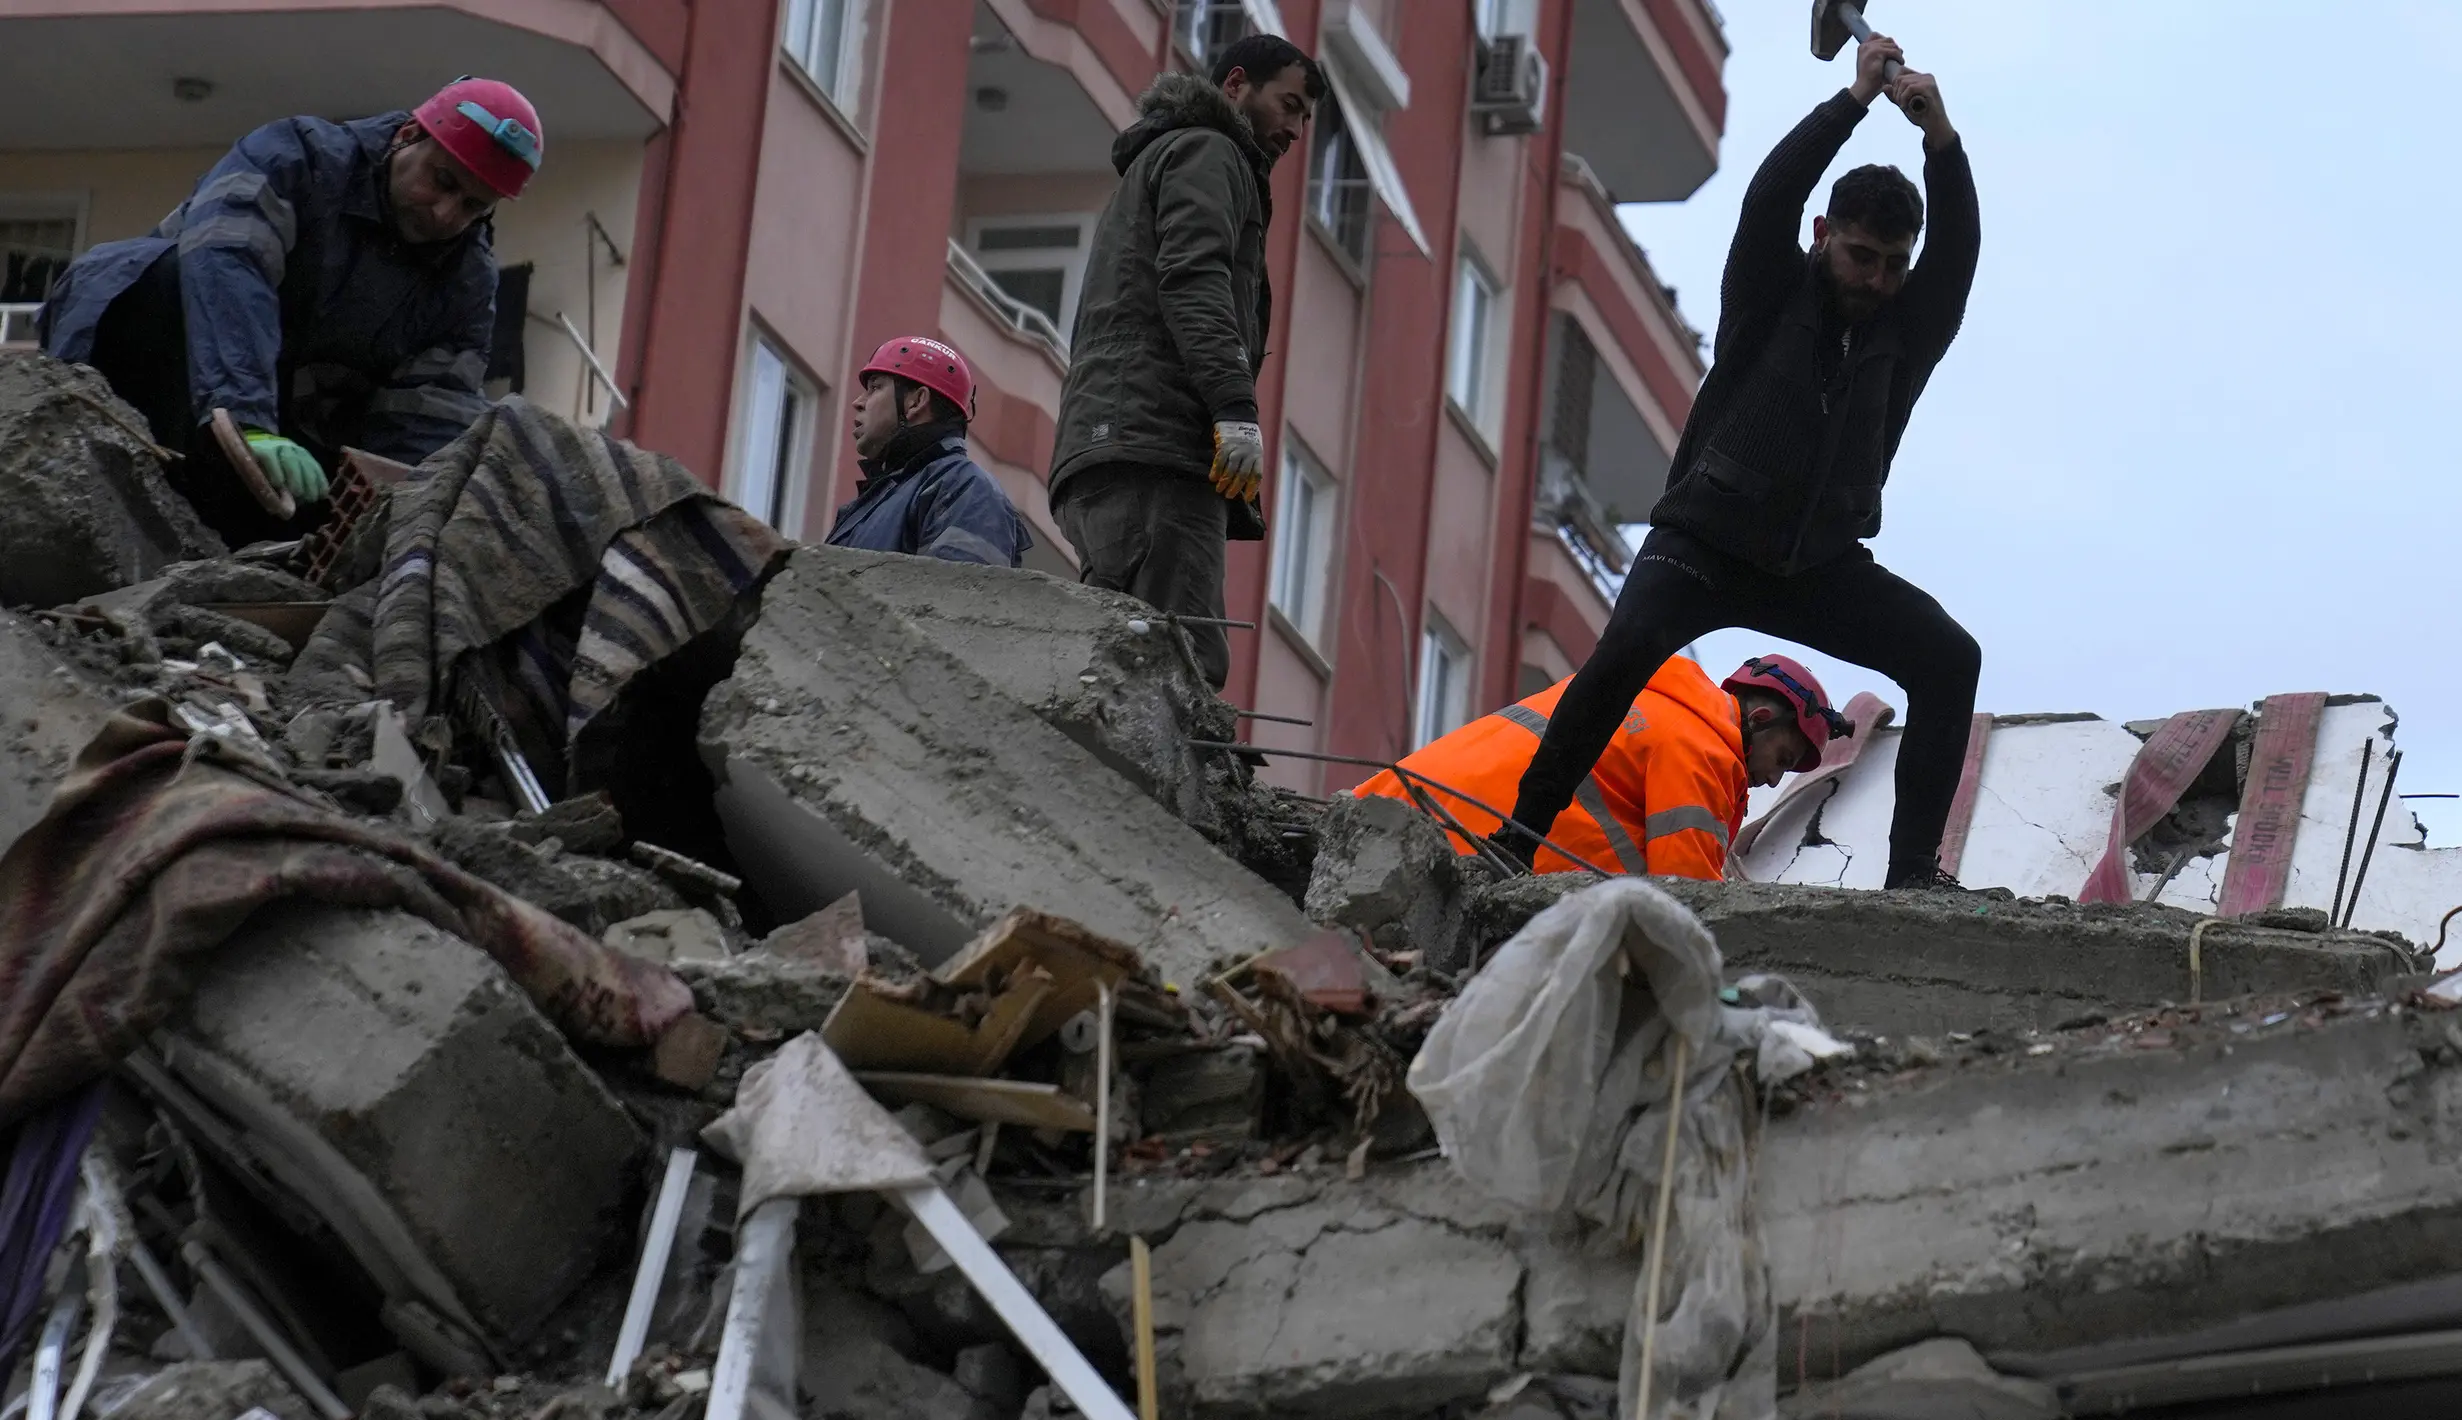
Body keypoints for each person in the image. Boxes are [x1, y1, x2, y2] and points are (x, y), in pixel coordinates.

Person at [1496, 33, 1980, 891]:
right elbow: (1771, 195)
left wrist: (1940, 139)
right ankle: (1517, 838)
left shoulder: (1907, 333)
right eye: (1861, 256)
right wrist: (1853, 102)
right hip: (1705, 543)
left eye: (1892, 265)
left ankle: (1912, 878)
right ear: (1824, 236)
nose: (1875, 279)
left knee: (1950, 658)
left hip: (1817, 566)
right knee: (1623, 653)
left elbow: (1958, 255)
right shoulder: (1768, 291)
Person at [41, 76, 541, 544]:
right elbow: (228, 270)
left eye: (473, 206)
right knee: (176, 279)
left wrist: (389, 514)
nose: (445, 214)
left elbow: (432, 410)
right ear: (409, 135)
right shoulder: (296, 157)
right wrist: (245, 418)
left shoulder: (466, 280)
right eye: (443, 181)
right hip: (152, 359)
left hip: (286, 424)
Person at [1045, 33, 1322, 689]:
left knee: (1117, 658)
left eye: (1305, 118)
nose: (1295, 130)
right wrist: (1234, 409)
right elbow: (1194, 280)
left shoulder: (1164, 159)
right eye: (1288, 106)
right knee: (1181, 665)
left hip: (1110, 444)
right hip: (1159, 446)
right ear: (1235, 86)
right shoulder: (1208, 152)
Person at [1359, 654, 1844, 880]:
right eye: (1782, 759)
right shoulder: (1702, 747)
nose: (1773, 780)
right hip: (1451, 861)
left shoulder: (1635, 691)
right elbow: (1687, 895)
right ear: (1760, 718)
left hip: (1381, 817)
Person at [826, 336, 1031, 567]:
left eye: (875, 387)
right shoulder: (863, 508)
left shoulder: (966, 487)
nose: (858, 402)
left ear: (916, 401)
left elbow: (961, 586)